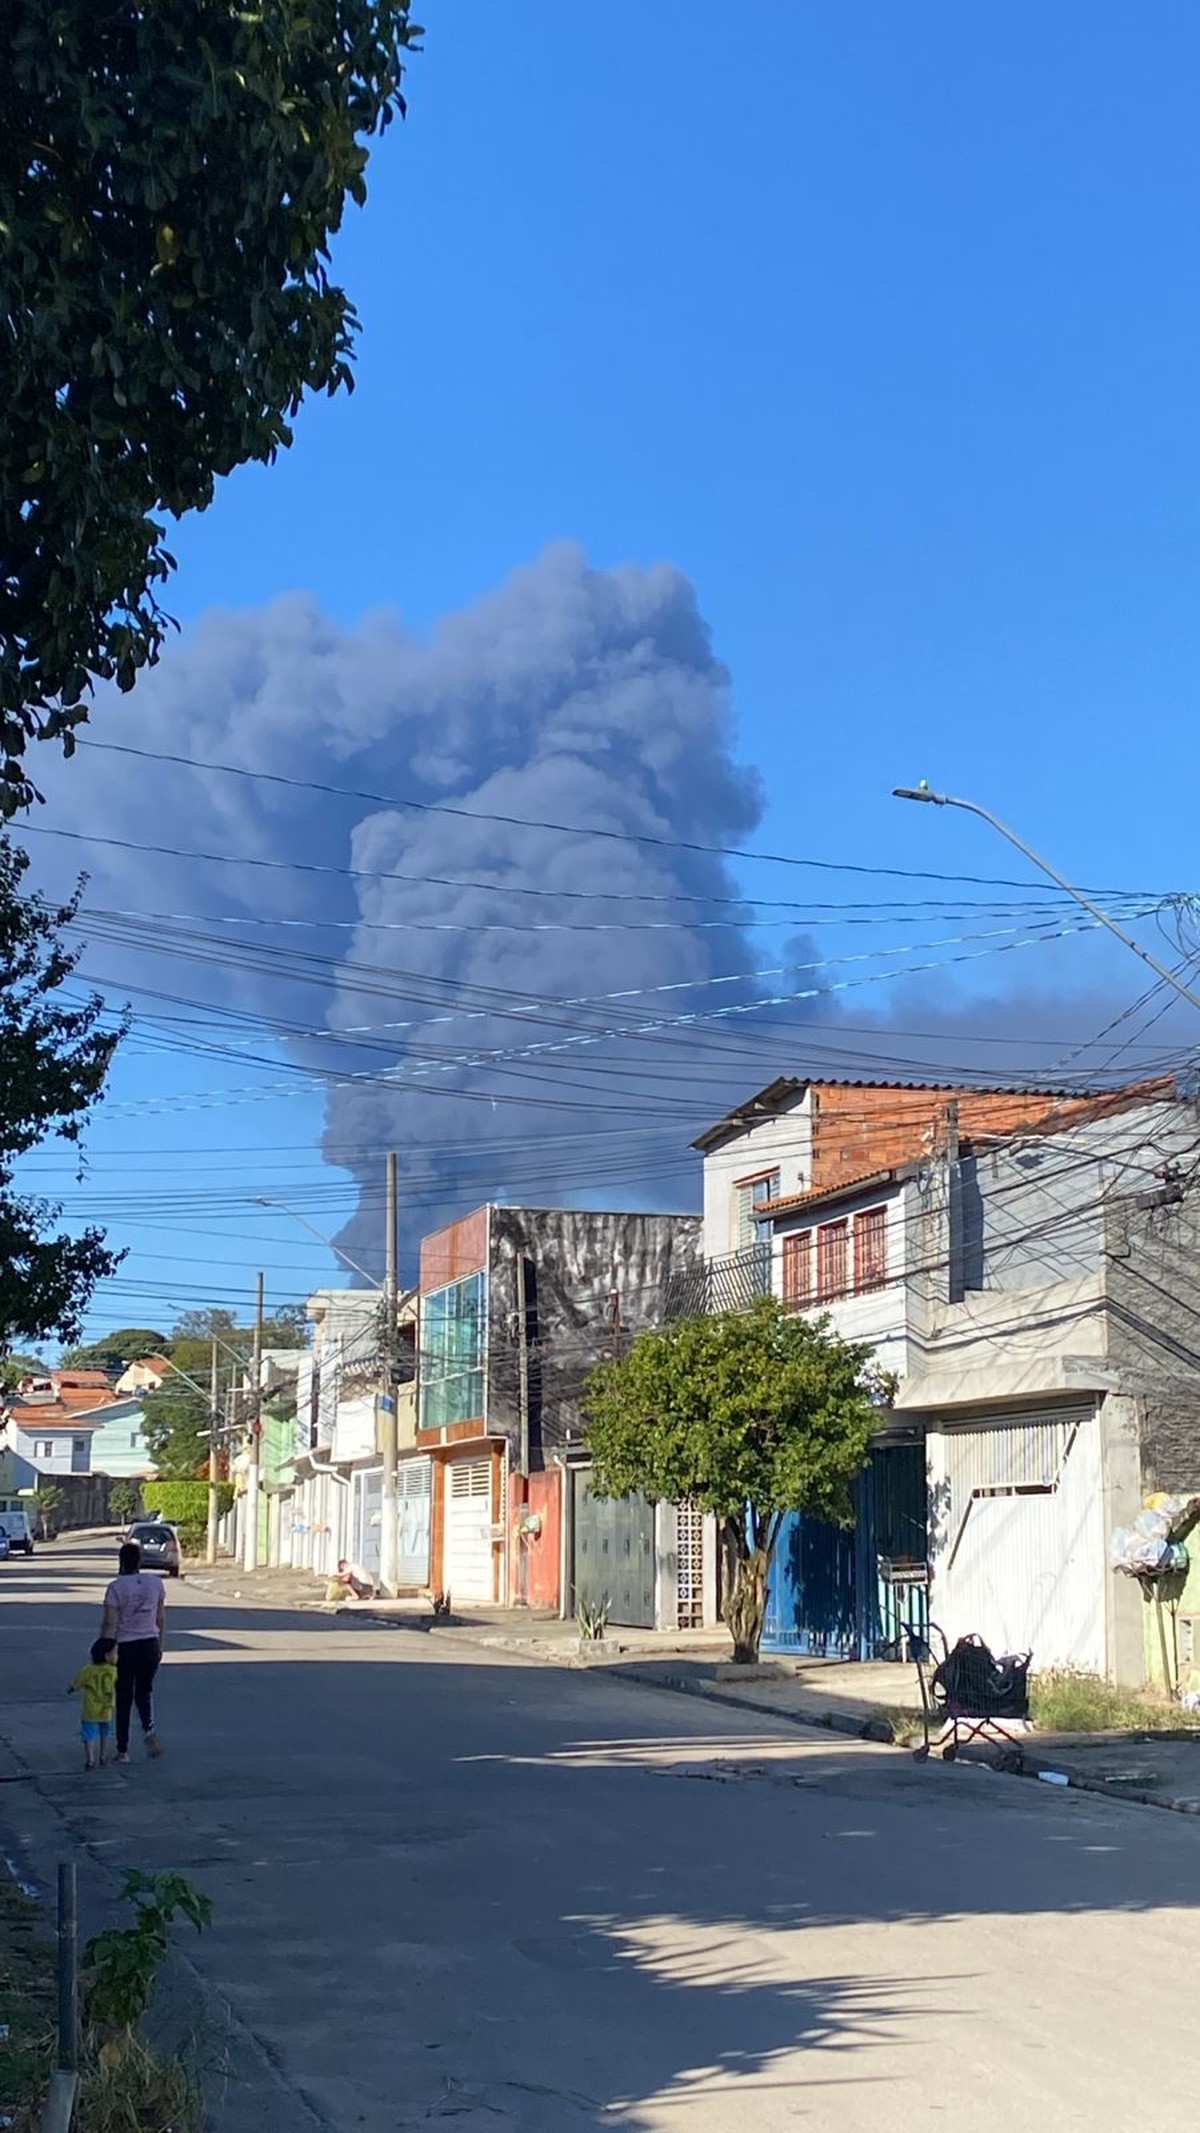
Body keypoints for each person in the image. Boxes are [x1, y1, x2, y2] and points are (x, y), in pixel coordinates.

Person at [101, 1540, 166, 1763]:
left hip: (126, 1648)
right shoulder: (156, 1583)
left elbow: (110, 1624)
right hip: (150, 1645)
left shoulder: (115, 1588)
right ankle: (149, 1730)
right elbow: (160, 1618)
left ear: (121, 1562)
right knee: (144, 1691)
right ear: (139, 1561)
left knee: (124, 1698)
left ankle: (122, 1750)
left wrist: (106, 1650)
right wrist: (160, 1645)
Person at [68, 1636, 117, 1771]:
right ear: (107, 1656)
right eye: (115, 1653)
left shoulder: (88, 1670)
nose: (117, 1656)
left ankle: (90, 1759)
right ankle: (102, 1755)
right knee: (104, 1732)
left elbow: (77, 1682)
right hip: (106, 1708)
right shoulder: (113, 1670)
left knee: (89, 1734)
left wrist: (71, 1688)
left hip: (91, 1709)